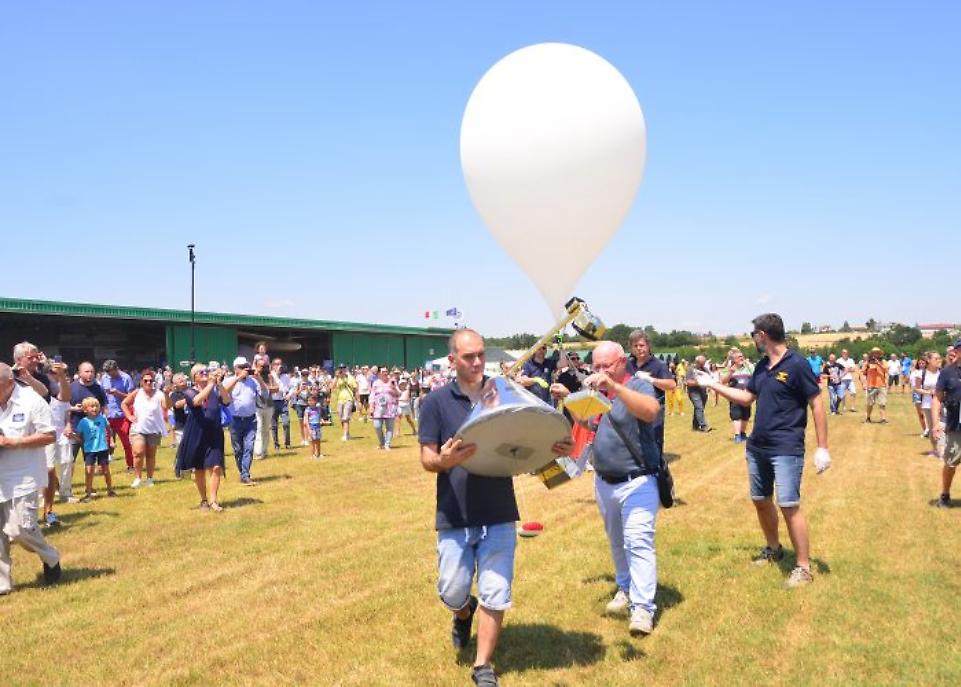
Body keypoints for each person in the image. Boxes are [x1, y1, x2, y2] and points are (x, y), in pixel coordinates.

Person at [419, 329, 570, 686]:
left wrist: (551, 447)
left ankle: (482, 666)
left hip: (500, 511)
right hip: (455, 513)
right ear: (453, 360)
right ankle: (463, 612)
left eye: (480, 355)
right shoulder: (436, 402)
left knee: (496, 590)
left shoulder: (502, 392)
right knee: (451, 590)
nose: (476, 363)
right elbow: (427, 458)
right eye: (468, 357)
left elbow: (527, 439)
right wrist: (443, 459)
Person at [694, 313, 830, 589]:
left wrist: (822, 447)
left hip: (786, 447)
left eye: (755, 334)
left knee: (789, 505)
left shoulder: (797, 364)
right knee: (760, 499)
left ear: (763, 335)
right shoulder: (762, 366)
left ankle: (803, 567)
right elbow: (747, 397)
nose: (753, 338)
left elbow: (816, 403)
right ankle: (773, 548)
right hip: (758, 446)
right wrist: (713, 385)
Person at [582, 341, 662, 636]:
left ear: (621, 362)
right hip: (604, 481)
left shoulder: (637, 386)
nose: (601, 371)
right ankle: (625, 587)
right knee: (616, 542)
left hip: (637, 480)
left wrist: (615, 389)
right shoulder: (597, 392)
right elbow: (592, 425)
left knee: (638, 542)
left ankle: (643, 609)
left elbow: (651, 412)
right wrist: (570, 399)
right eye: (596, 366)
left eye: (606, 366)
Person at [0, 363, 62, 594]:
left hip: (23, 476)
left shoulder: (31, 400)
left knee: (20, 530)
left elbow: (49, 435)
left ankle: (51, 557)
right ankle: (3, 584)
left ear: (8, 383)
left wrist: (12, 442)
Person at [176, 363, 230, 511]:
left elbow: (226, 400)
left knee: (216, 466)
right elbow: (196, 401)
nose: (206, 373)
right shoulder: (189, 392)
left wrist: (219, 385)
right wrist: (211, 385)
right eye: (202, 372)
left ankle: (213, 500)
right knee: (199, 468)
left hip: (214, 432)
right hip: (197, 433)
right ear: (194, 378)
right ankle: (204, 500)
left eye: (207, 371)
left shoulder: (213, 390)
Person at [626, 331, 677, 456]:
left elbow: (671, 384)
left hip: (654, 406)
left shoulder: (658, 365)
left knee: (654, 437)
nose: (639, 348)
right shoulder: (628, 364)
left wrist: (651, 380)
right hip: (632, 406)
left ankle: (657, 466)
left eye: (641, 345)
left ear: (648, 346)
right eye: (635, 346)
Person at [222, 356, 267, 486]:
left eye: (246, 367)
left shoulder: (253, 382)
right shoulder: (229, 380)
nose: (245, 370)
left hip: (250, 419)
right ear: (235, 368)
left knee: (249, 447)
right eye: (241, 367)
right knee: (238, 449)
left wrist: (259, 378)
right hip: (235, 420)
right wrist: (238, 378)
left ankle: (245, 474)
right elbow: (224, 393)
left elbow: (265, 394)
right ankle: (243, 473)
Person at [122, 369, 169, 488]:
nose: (148, 382)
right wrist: (129, 416)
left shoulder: (159, 394)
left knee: (151, 455)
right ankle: (137, 478)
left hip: (154, 429)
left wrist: (167, 394)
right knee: (138, 452)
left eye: (150, 380)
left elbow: (166, 406)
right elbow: (124, 404)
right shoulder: (137, 393)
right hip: (138, 428)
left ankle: (150, 478)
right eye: (145, 380)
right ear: (141, 382)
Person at [931, 341, 961, 508]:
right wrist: (936, 424)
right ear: (957, 351)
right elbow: (937, 398)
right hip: (956, 426)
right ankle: (945, 494)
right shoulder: (947, 372)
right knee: (951, 463)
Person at [75, 397, 116, 500]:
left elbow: (109, 429)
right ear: (85, 410)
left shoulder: (102, 418)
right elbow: (79, 437)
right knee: (89, 471)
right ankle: (88, 492)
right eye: (91, 406)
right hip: (89, 450)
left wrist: (111, 441)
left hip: (102, 448)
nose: (95, 408)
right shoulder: (83, 422)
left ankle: (110, 490)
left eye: (96, 406)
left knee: (106, 470)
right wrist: (72, 436)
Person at [101, 360, 135, 471]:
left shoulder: (126, 378)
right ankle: (103, 466)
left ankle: (131, 465)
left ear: (117, 369)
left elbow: (132, 397)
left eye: (112, 372)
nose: (110, 375)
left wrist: (118, 393)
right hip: (108, 414)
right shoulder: (104, 378)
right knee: (103, 443)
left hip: (122, 415)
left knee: (126, 442)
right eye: (108, 373)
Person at [722, 349, 755, 442]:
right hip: (734, 395)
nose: (742, 358)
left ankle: (743, 433)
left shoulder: (750, 367)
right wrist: (730, 372)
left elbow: (755, 377)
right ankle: (737, 435)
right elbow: (723, 381)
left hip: (746, 395)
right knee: (736, 415)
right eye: (739, 357)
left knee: (746, 415)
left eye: (742, 356)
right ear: (734, 359)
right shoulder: (729, 368)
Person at [369, 366, 400, 450]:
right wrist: (371, 406)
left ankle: (387, 444)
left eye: (386, 371)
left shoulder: (392, 382)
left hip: (390, 408)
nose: (385, 373)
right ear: (379, 373)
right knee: (377, 426)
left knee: (389, 427)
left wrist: (393, 387)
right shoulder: (375, 383)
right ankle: (382, 442)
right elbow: (372, 395)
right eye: (383, 372)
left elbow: (398, 393)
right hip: (378, 409)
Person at [918, 352, 942, 456]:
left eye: (939, 358)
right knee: (933, 426)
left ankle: (943, 449)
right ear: (929, 360)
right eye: (936, 359)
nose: (939, 360)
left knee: (944, 426)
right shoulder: (921, 373)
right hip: (928, 404)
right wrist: (929, 392)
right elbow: (917, 389)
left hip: (942, 403)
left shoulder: (942, 372)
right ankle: (935, 449)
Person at [252, 357, 276, 459]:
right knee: (258, 428)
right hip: (257, 406)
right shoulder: (252, 378)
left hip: (269, 406)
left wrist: (266, 387)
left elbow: (276, 388)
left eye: (265, 366)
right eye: (261, 366)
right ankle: (258, 452)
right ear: (256, 366)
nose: (263, 368)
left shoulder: (270, 376)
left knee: (266, 429)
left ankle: (264, 450)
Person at [684, 356, 712, 432]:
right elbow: (688, 382)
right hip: (694, 392)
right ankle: (704, 426)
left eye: (703, 363)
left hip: (703, 391)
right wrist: (699, 383)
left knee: (699, 408)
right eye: (701, 363)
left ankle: (695, 426)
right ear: (697, 362)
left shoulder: (704, 369)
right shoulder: (691, 369)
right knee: (699, 407)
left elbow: (710, 377)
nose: (702, 365)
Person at [269, 358, 292, 450]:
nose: (279, 366)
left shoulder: (286, 376)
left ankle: (287, 443)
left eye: (280, 364)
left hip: (283, 402)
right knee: (274, 425)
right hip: (273, 402)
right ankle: (276, 444)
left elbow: (288, 388)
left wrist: (289, 395)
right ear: (273, 365)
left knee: (286, 423)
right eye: (277, 364)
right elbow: (276, 388)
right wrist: (277, 376)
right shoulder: (270, 376)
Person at [331, 365, 358, 441]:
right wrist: (336, 377)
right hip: (340, 399)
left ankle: (345, 435)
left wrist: (357, 400)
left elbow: (355, 389)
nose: (342, 370)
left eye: (343, 368)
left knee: (345, 417)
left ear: (346, 369)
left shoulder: (350, 377)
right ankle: (347, 433)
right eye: (340, 368)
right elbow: (332, 387)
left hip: (349, 399)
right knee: (341, 417)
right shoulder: (338, 378)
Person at [863, 347, 888, 424]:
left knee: (882, 403)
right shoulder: (867, 362)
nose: (875, 354)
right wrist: (864, 383)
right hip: (871, 385)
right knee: (870, 403)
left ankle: (883, 419)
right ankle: (868, 418)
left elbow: (886, 370)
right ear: (872, 354)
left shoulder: (883, 361)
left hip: (881, 385)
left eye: (877, 352)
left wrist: (878, 363)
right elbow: (863, 372)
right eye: (874, 352)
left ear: (879, 354)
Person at [910, 359, 927, 436]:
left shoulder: (929, 372)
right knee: (920, 413)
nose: (921, 364)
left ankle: (929, 429)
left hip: (925, 392)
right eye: (919, 363)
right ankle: (925, 430)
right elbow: (911, 382)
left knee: (927, 412)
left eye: (923, 363)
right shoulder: (914, 372)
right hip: (916, 393)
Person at [304, 395, 324, 459]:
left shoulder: (318, 409)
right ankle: (312, 455)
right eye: (308, 400)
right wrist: (308, 429)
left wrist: (321, 420)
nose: (309, 402)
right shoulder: (307, 410)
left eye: (311, 400)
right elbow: (306, 420)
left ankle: (318, 453)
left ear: (315, 401)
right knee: (312, 441)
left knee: (318, 441)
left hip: (318, 426)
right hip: (312, 427)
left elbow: (319, 417)